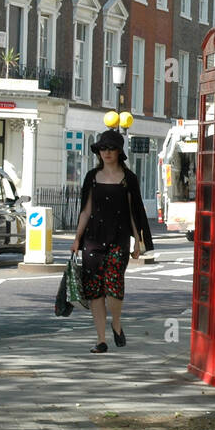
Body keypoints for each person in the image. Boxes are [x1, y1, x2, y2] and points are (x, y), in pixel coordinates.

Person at [71, 129, 155, 353]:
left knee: (114, 285)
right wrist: (77, 238)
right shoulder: (91, 177)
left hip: (118, 237)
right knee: (94, 291)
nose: (106, 152)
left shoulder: (129, 179)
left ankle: (116, 324)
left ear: (119, 151)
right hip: (92, 238)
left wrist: (138, 241)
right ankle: (101, 340)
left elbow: (133, 211)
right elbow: (86, 210)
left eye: (111, 148)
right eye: (102, 148)